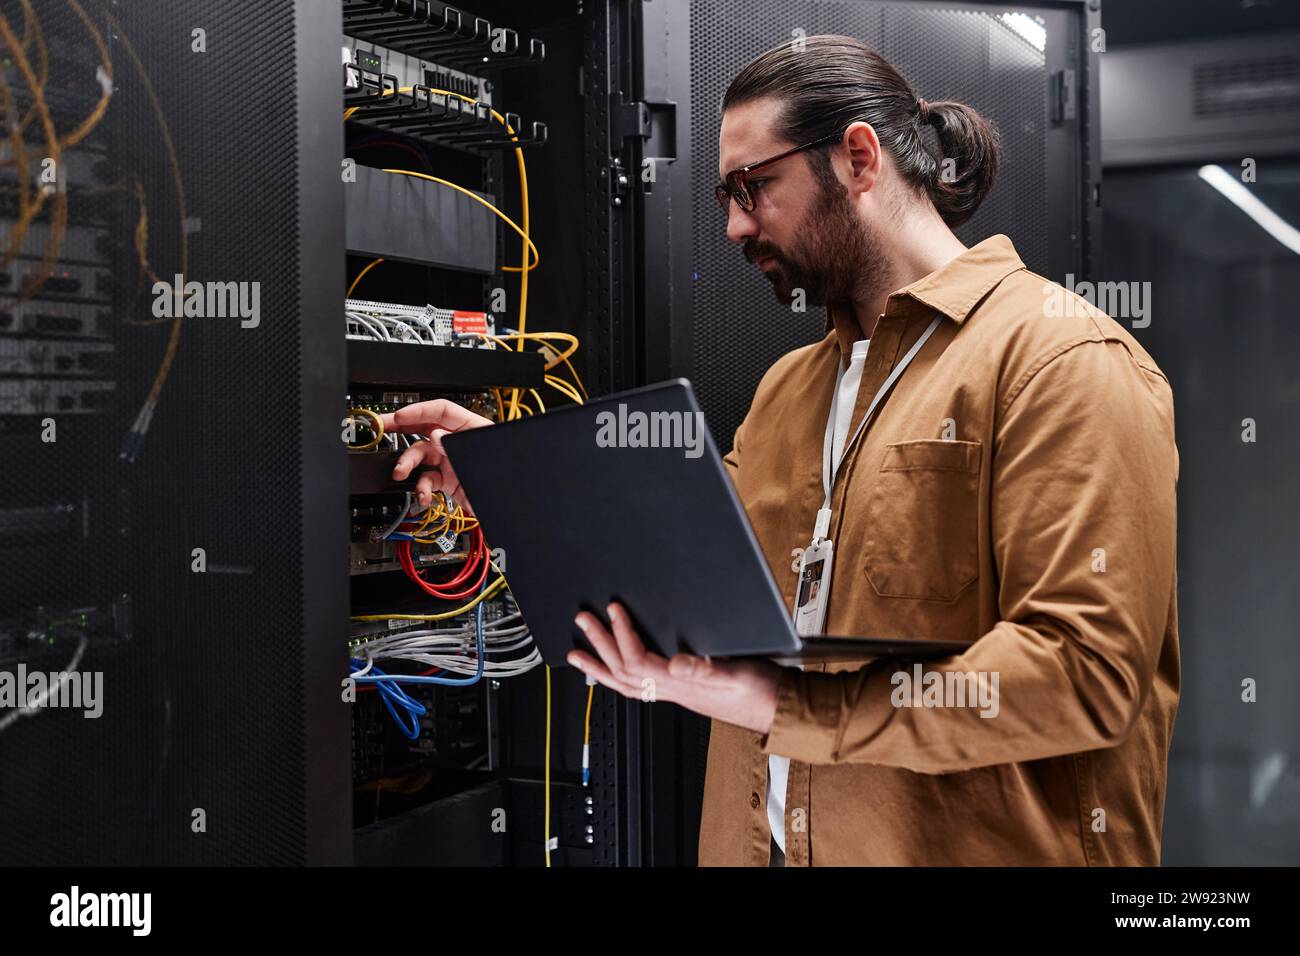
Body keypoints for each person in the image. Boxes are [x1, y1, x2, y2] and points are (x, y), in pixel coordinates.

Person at [379, 35, 1180, 867]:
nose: (732, 226)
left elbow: (1085, 675)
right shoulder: (790, 388)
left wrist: (790, 704)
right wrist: (513, 477)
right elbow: (689, 549)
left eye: (753, 188)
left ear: (859, 158)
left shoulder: (1062, 362)